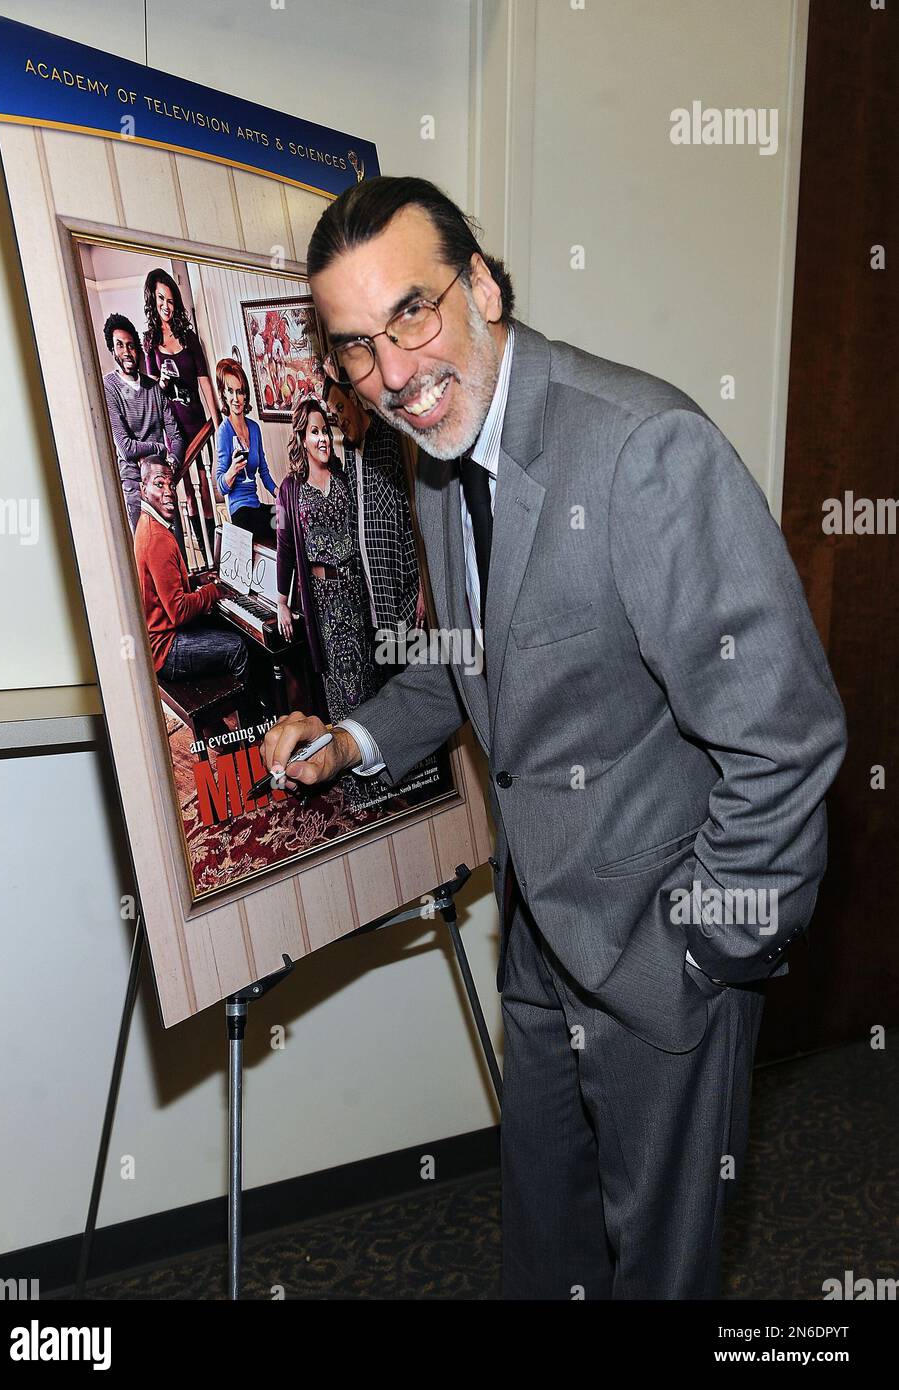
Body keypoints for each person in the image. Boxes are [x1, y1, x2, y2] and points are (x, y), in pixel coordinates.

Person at [260, 176, 848, 1299]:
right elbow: (473, 664)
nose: (391, 374)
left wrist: (706, 953)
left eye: (412, 313)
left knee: (659, 1276)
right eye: (353, 348)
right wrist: (349, 737)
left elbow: (787, 735)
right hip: (537, 940)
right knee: (547, 1250)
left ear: (481, 284)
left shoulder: (643, 450)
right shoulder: (433, 456)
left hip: (664, 958)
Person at [275, 396, 378, 811]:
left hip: (353, 593)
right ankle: (353, 785)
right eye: (315, 431)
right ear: (301, 437)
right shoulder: (289, 491)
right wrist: (282, 603)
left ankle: (375, 771)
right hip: (321, 601)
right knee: (339, 689)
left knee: (366, 681)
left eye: (325, 430)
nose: (323, 438)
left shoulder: (344, 475)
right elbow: (284, 548)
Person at [323, 373, 425, 685]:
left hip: (406, 599)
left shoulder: (392, 440)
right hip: (374, 606)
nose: (339, 419)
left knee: (422, 690)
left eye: (341, 408)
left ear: (354, 398)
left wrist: (425, 587)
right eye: (334, 414)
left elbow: (417, 512)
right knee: (394, 694)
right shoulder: (349, 455)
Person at [133, 457, 248, 690]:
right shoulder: (157, 539)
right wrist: (214, 591)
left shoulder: (148, 525)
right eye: (159, 484)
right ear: (143, 489)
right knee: (238, 647)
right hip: (166, 650)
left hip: (161, 640)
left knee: (223, 624)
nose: (169, 492)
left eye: (171, 485)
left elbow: (165, 586)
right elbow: (179, 612)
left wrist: (197, 580)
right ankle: (254, 721)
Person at [142, 268, 221, 561]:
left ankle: (216, 548)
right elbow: (152, 392)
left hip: (199, 426)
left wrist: (217, 422)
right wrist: (161, 381)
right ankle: (201, 555)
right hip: (173, 432)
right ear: (153, 300)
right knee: (186, 493)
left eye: (171, 300)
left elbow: (204, 380)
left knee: (206, 488)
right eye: (161, 298)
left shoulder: (189, 338)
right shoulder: (150, 343)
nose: (166, 305)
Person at [102, 312, 185, 543]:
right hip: (135, 484)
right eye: (120, 346)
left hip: (162, 481)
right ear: (112, 350)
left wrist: (173, 463)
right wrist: (160, 448)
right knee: (149, 552)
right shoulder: (109, 388)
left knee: (175, 548)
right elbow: (126, 448)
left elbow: (176, 435)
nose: (126, 352)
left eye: (130, 345)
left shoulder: (153, 387)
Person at [214, 358, 277, 539]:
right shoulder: (224, 432)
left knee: (286, 520)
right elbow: (221, 487)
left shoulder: (254, 428)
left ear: (246, 394)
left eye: (240, 392)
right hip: (240, 512)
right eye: (230, 391)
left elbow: (263, 472)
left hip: (256, 506)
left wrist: (278, 493)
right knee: (268, 534)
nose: (236, 398)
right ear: (224, 394)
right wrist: (232, 470)